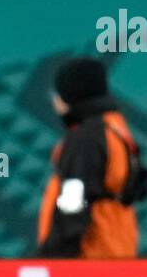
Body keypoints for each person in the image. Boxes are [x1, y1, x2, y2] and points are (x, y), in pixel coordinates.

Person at [37, 58, 141, 259]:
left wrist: (51, 259)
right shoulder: (114, 128)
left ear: (71, 94)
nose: (55, 101)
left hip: (88, 259)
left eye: (57, 93)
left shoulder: (86, 138)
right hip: (115, 250)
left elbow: (73, 204)